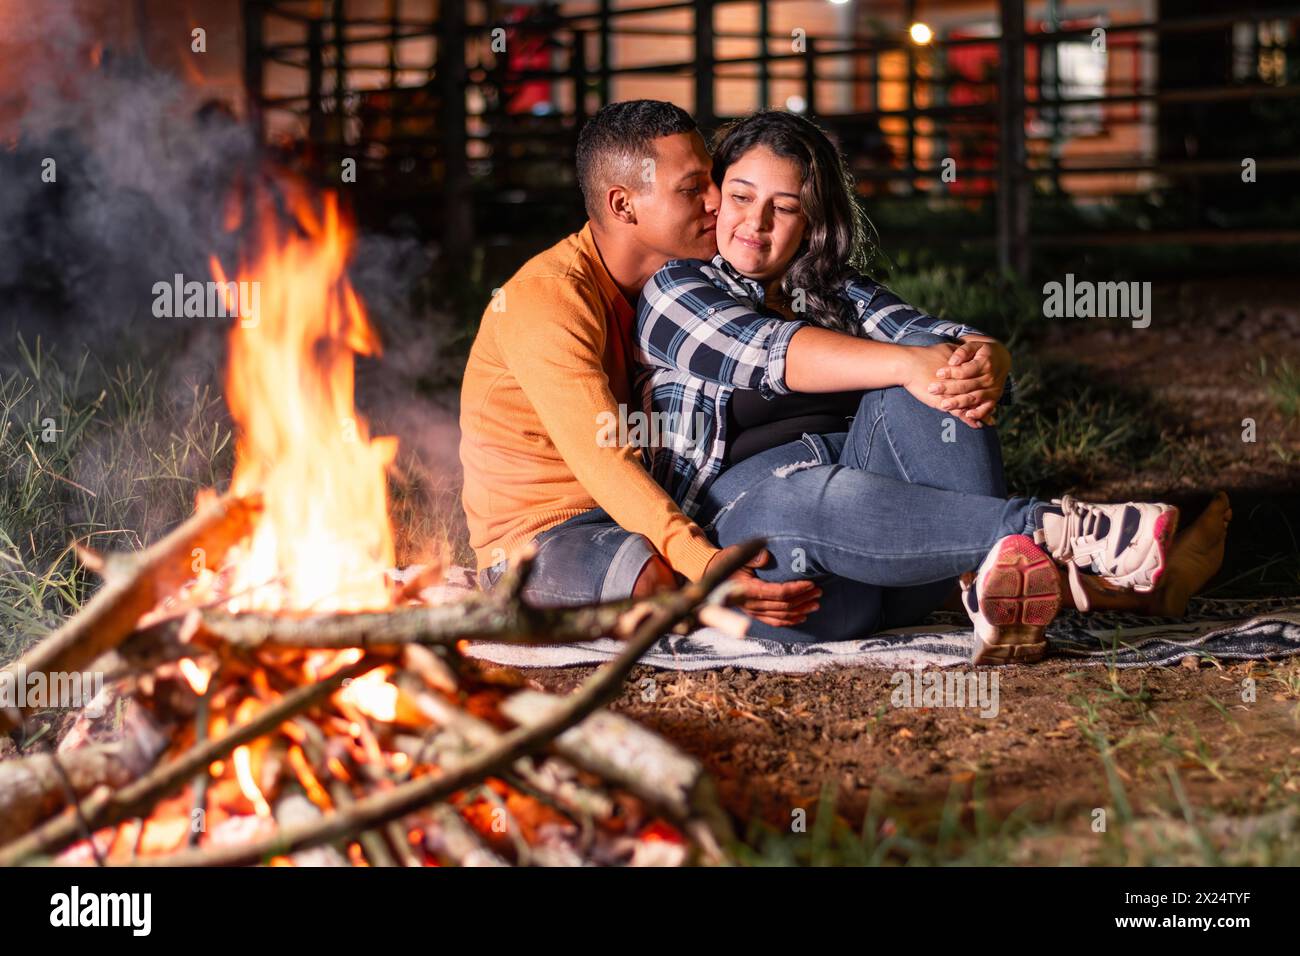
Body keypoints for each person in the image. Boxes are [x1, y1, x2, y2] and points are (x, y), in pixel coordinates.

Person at [632, 109, 1230, 661]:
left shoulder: (838, 292)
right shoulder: (675, 290)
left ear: (812, 220)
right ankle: (1057, 531)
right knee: (806, 485)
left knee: (929, 356)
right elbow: (768, 353)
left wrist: (991, 356)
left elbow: (937, 339)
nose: (755, 222)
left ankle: (983, 584)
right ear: (716, 198)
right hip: (776, 569)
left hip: (896, 566)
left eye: (783, 207)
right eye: (741, 196)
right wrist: (903, 365)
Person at [458, 100, 820, 627]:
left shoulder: (687, 283)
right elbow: (605, 455)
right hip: (540, 540)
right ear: (624, 205)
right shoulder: (547, 299)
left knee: (784, 561)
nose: (719, 201)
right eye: (693, 188)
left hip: (648, 506)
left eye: (713, 181)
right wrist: (704, 564)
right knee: (650, 581)